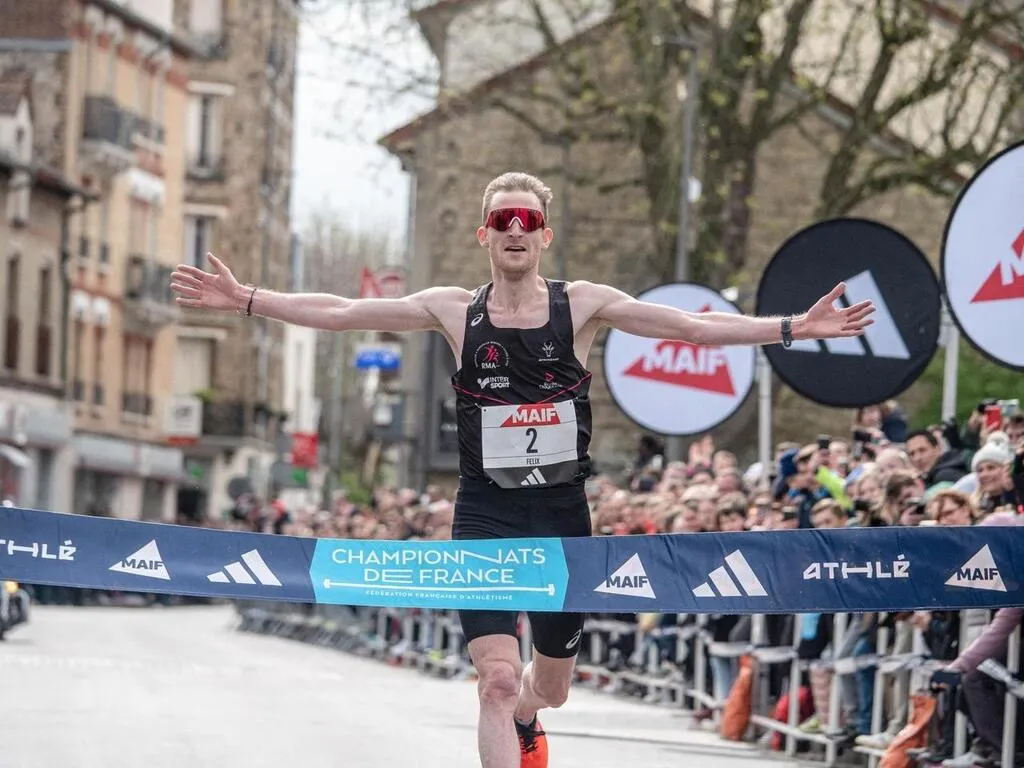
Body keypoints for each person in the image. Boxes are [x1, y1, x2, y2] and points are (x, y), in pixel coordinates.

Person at [169, 171, 875, 768]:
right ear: (485, 235)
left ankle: (533, 721)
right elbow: (345, 311)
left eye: (526, 218)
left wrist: (792, 328)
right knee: (496, 682)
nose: (514, 228)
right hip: (484, 513)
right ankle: (511, 719)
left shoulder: (584, 305)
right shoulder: (452, 309)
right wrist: (250, 299)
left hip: (563, 515)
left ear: (543, 235)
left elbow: (692, 328)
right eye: (500, 218)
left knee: (549, 687)